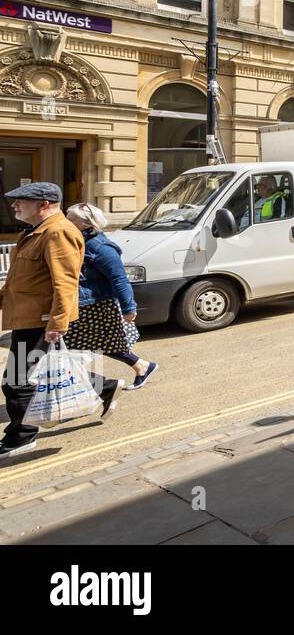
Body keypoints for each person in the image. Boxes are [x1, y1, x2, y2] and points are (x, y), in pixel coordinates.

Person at [1, 183, 120, 459]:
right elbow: (23, 280)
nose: (14, 206)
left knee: (16, 381)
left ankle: (21, 437)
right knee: (38, 372)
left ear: (44, 204)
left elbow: (65, 282)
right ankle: (106, 387)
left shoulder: (58, 232)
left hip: (41, 321)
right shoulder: (33, 233)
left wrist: (57, 323)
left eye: (22, 201)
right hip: (28, 316)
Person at [64, 203, 158, 390]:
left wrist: (128, 307)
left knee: (77, 345)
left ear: (86, 223)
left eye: (70, 218)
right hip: (82, 304)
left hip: (96, 306)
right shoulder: (76, 241)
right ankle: (142, 366)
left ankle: (83, 388)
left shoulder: (100, 246)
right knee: (97, 343)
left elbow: (119, 278)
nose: (65, 220)